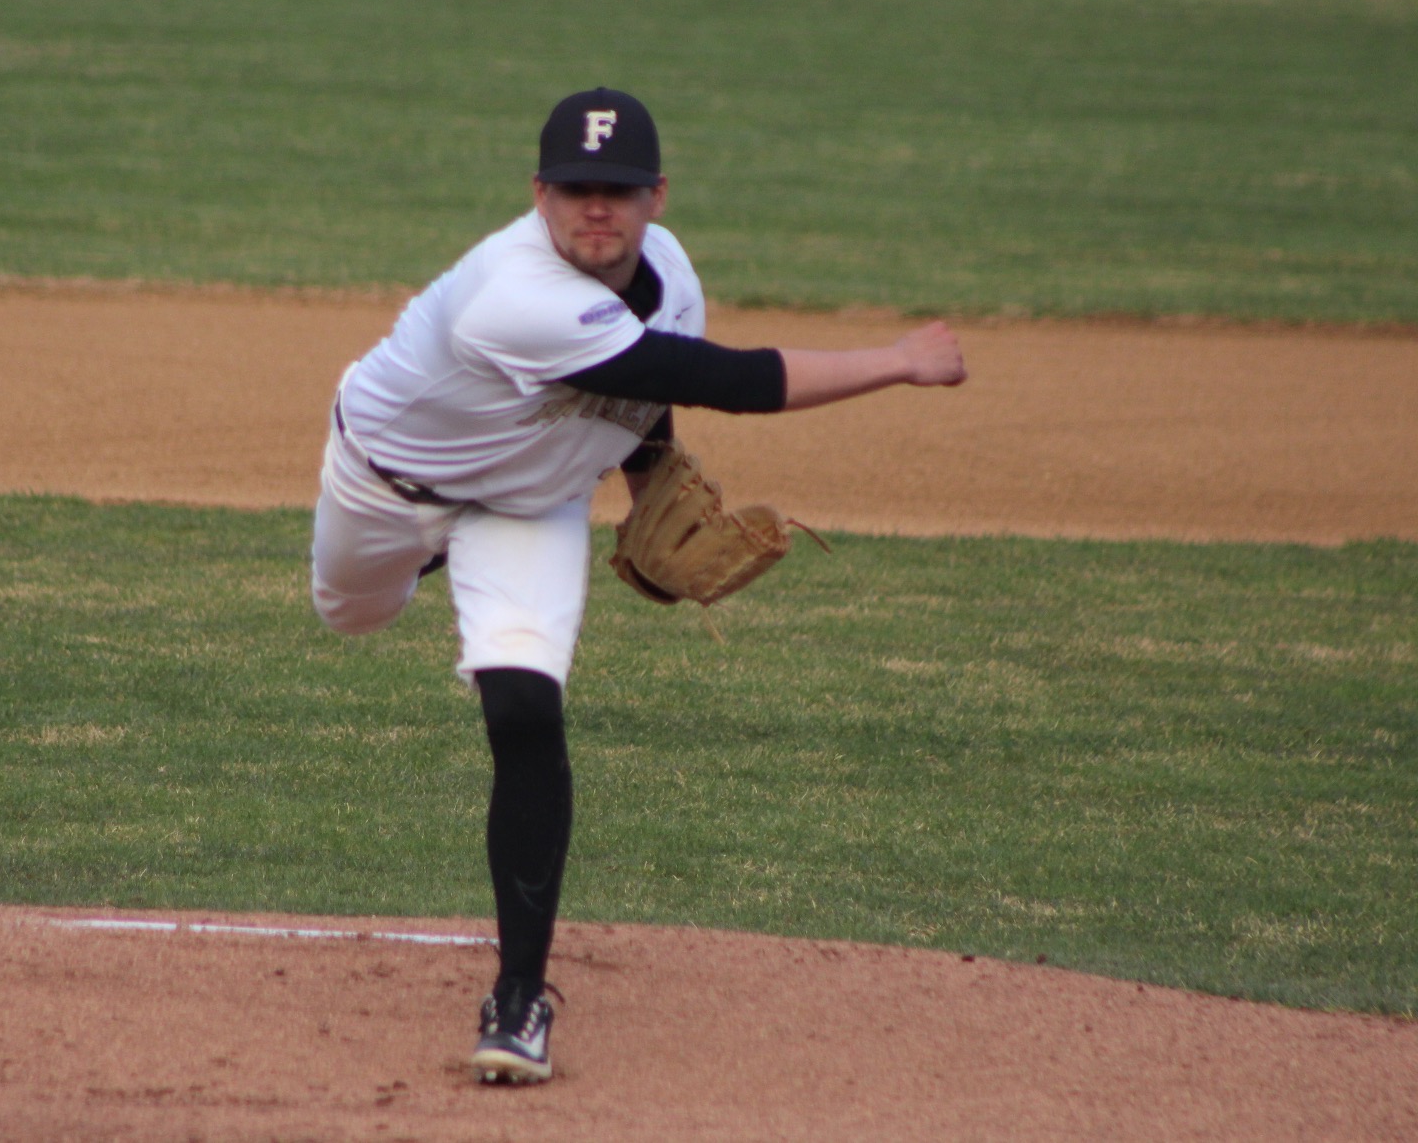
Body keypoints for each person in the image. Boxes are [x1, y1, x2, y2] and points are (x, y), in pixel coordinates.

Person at [310, 88, 967, 1084]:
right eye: (574, 188)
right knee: (352, 612)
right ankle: (430, 560)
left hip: (526, 508)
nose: (595, 207)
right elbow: (727, 380)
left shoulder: (672, 278)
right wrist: (898, 360)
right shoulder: (510, 291)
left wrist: (649, 473)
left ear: (656, 196)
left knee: (525, 707)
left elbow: (648, 396)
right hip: (385, 487)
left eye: (616, 190)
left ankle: (519, 1000)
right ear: (538, 193)